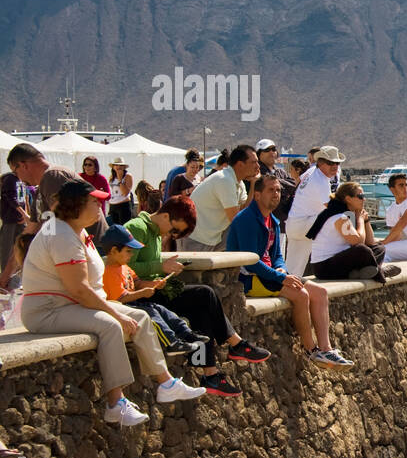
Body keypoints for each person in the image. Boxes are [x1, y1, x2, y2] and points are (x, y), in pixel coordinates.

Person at [20, 180, 207, 425]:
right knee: (110, 325)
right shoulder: (62, 235)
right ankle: (115, 403)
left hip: (69, 305)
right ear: (76, 205)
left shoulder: (74, 231)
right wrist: (117, 314)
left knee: (141, 316)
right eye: (94, 201)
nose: (100, 205)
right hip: (48, 311)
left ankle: (166, 383)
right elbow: (79, 289)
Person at [125, 195, 268, 397]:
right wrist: (160, 267)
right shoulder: (137, 228)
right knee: (204, 295)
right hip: (140, 296)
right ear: (165, 216)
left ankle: (210, 371)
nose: (172, 236)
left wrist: (164, 273)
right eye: (175, 230)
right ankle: (234, 344)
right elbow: (122, 266)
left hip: (153, 289)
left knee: (201, 304)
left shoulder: (155, 232)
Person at [228, 175, 354, 370]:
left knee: (320, 293)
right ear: (257, 194)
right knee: (301, 295)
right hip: (248, 278)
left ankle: (326, 348)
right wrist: (281, 277)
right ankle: (311, 351)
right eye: (271, 190)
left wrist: (281, 269)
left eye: (278, 190)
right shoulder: (247, 220)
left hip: (270, 274)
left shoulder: (274, 221)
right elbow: (251, 262)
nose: (276, 194)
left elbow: (277, 254)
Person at [100, 224, 207, 357]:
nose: (131, 254)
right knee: (152, 315)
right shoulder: (109, 272)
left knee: (161, 310)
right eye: (128, 251)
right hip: (124, 308)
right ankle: (171, 343)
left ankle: (186, 333)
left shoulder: (124, 267)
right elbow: (121, 298)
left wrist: (153, 284)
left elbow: (137, 282)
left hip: (135, 304)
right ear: (114, 251)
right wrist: (142, 293)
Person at [7, 142, 109, 245]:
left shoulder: (52, 177)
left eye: (15, 172)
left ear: (23, 166)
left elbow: (63, 223)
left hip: (93, 246)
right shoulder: (43, 186)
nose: (18, 178)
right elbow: (33, 227)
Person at [306, 181, 400, 282]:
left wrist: (366, 220)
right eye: (360, 196)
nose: (364, 199)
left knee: (379, 248)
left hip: (340, 261)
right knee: (362, 250)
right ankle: (381, 272)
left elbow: (370, 242)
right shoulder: (339, 216)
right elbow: (358, 242)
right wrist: (360, 219)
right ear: (348, 198)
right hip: (324, 267)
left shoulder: (349, 213)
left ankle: (358, 273)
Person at [284, 145, 343, 277]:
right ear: (320, 162)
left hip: (294, 223)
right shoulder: (321, 180)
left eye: (337, 163)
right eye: (330, 163)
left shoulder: (311, 171)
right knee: (341, 218)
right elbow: (330, 206)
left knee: (293, 269)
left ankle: (286, 288)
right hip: (305, 224)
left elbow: (297, 181)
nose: (335, 166)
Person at [188, 144, 258, 250]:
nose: (258, 166)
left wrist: (254, 184)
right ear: (240, 165)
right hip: (197, 240)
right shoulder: (225, 180)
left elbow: (245, 211)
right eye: (253, 162)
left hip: (213, 239)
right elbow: (236, 220)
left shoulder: (239, 183)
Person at [1, 158, 29, 290]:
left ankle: (17, 279)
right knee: (7, 250)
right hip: (10, 219)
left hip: (21, 219)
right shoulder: (10, 179)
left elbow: (24, 198)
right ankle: (5, 280)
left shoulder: (21, 180)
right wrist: (23, 213)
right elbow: (10, 197)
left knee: (23, 247)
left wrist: (26, 214)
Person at [255, 139, 296, 223]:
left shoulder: (280, 171)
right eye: (267, 150)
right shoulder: (256, 172)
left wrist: (277, 182)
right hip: (264, 221)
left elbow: (293, 186)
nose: (271, 152)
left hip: (282, 222)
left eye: (273, 149)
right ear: (259, 154)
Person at [107, 158, 134, 224]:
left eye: (121, 165)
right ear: (113, 167)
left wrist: (120, 179)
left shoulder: (127, 176)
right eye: (116, 165)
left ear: (124, 167)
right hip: (113, 205)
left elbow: (125, 193)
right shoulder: (112, 177)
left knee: (123, 227)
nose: (118, 167)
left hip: (123, 205)